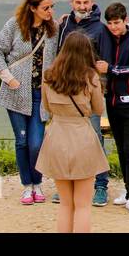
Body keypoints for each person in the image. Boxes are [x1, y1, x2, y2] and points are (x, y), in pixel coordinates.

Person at [0, 0, 59, 205]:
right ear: (33, 8)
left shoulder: (53, 29)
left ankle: (37, 182)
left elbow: (58, 57)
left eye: (52, 7)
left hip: (41, 93)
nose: (50, 11)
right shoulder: (14, 25)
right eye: (46, 7)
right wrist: (8, 78)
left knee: (36, 143)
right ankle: (27, 186)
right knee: (21, 141)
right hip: (16, 92)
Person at [36, 32, 109, 232]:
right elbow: (98, 109)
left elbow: (47, 107)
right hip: (82, 137)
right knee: (83, 205)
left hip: (57, 136)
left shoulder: (49, 76)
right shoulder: (90, 77)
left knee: (65, 204)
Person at [54, 0, 111, 208]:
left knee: (94, 138)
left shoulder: (101, 29)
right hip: (67, 91)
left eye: (86, 2)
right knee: (67, 140)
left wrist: (99, 89)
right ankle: (68, 183)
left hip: (88, 91)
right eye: (78, 2)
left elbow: (103, 62)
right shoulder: (65, 23)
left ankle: (100, 185)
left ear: (92, 2)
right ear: (72, 3)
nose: (82, 6)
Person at [99, 2, 129, 214]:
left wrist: (110, 69)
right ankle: (127, 191)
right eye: (109, 23)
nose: (113, 27)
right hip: (113, 102)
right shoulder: (108, 38)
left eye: (117, 23)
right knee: (120, 148)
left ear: (125, 20)